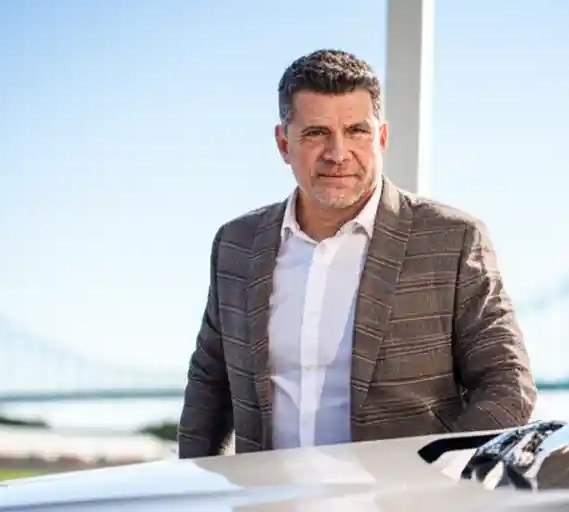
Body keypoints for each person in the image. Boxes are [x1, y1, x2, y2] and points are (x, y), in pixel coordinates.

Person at [177, 49, 536, 457]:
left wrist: (432, 482)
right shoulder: (235, 246)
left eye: (356, 131)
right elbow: (209, 385)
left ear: (381, 138)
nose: (337, 152)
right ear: (283, 143)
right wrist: (199, 491)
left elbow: (508, 385)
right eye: (316, 133)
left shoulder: (452, 240)